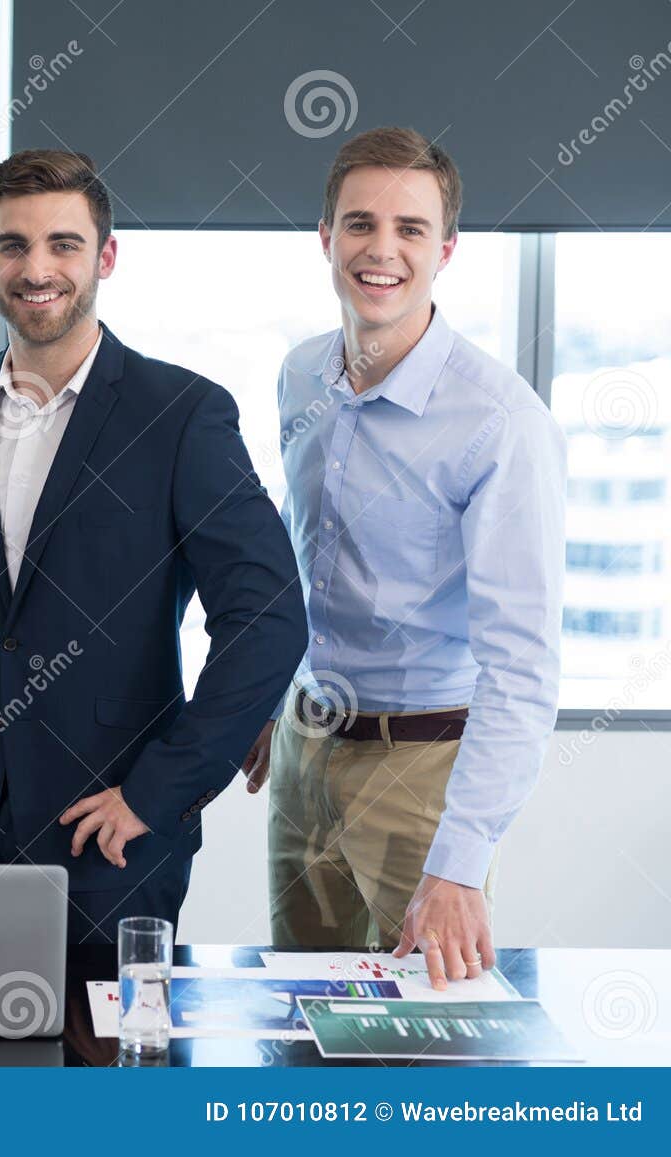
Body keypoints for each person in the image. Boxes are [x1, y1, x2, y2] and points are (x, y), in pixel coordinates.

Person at [0, 149, 306, 943]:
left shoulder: (181, 413)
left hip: (113, 832)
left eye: (64, 244)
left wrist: (162, 789)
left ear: (105, 257)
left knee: (116, 1059)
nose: (36, 267)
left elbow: (270, 617)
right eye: (13, 245)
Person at [239, 127, 565, 988]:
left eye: (410, 229)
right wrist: (268, 693)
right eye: (359, 224)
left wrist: (461, 860)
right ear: (325, 238)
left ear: (446, 249)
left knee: (435, 1042)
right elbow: (304, 548)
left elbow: (523, 666)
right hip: (307, 750)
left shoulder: (500, 420)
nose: (382, 249)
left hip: (423, 771)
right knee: (301, 1018)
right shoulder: (302, 374)